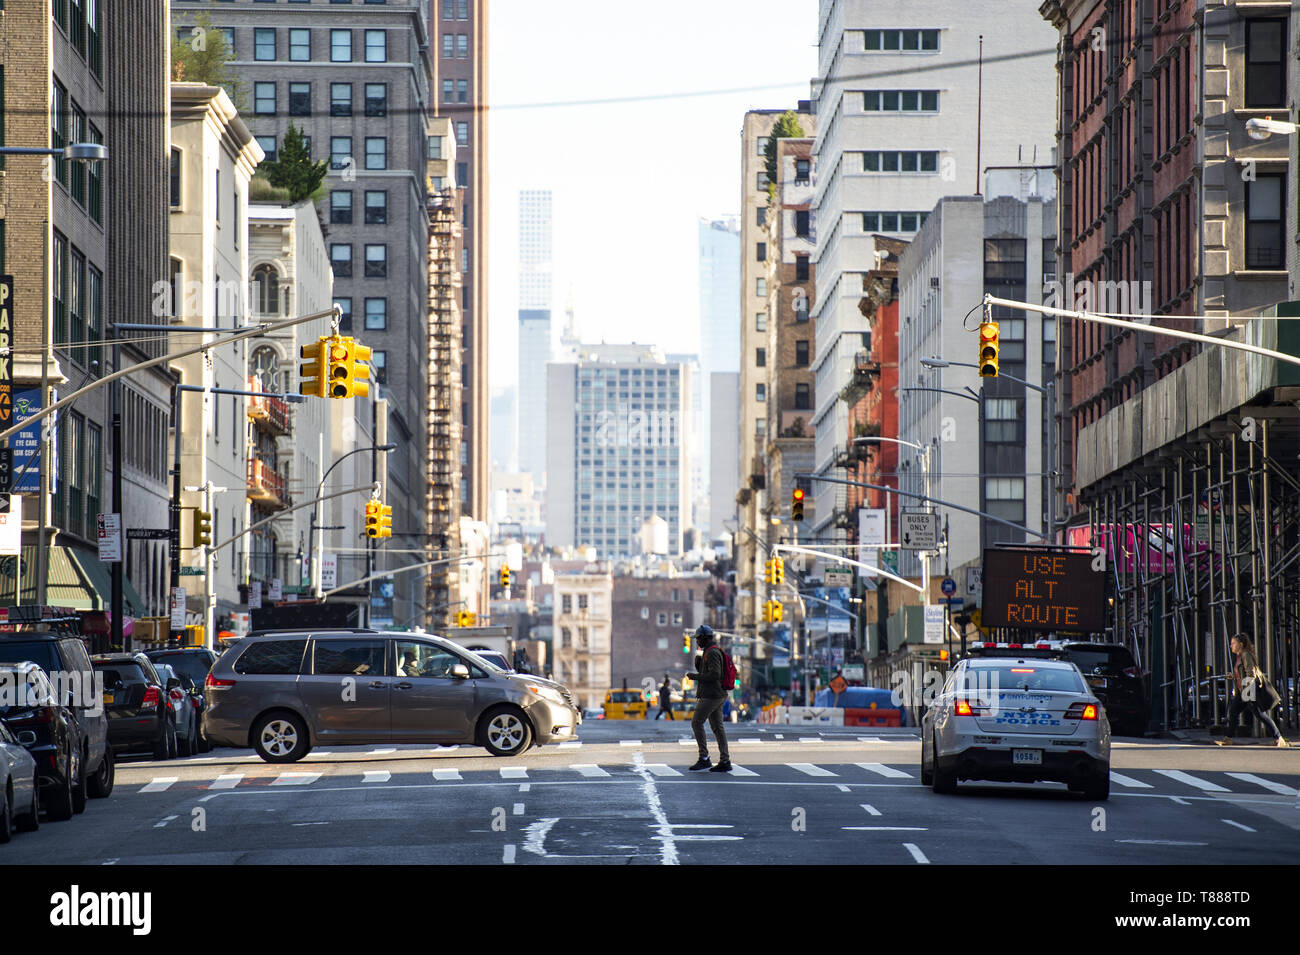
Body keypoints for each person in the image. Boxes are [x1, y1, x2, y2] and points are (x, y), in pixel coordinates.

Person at [1219, 633, 1290, 747]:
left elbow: (1250, 673)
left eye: (1233, 643)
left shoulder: (1245, 655)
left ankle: (1279, 738)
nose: (1231, 646)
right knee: (1236, 712)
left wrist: (1246, 691)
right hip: (1245, 689)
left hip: (1248, 690)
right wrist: (1233, 676)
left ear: (1240, 644)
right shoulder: (1240, 656)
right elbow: (1243, 673)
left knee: (1258, 714)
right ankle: (1229, 738)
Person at [685, 625, 732, 773]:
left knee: (697, 723)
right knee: (718, 727)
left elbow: (715, 675)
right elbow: (711, 673)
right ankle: (725, 760)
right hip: (716, 694)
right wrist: (699, 666)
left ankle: (704, 758)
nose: (697, 641)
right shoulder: (709, 652)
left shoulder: (711, 653)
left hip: (712, 695)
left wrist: (695, 676)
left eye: (698, 638)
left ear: (705, 638)